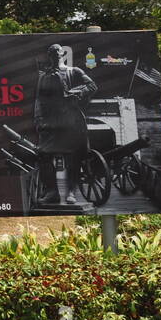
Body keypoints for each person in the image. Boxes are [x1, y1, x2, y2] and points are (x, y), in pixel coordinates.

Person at [33, 43, 97, 205]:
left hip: (71, 119)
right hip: (51, 121)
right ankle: (52, 192)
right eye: (52, 53)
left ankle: (71, 192)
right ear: (49, 56)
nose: (55, 55)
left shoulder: (74, 71)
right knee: (44, 154)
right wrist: (39, 119)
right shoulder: (44, 76)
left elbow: (92, 86)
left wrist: (77, 95)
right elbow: (39, 100)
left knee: (73, 157)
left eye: (58, 52)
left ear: (62, 54)